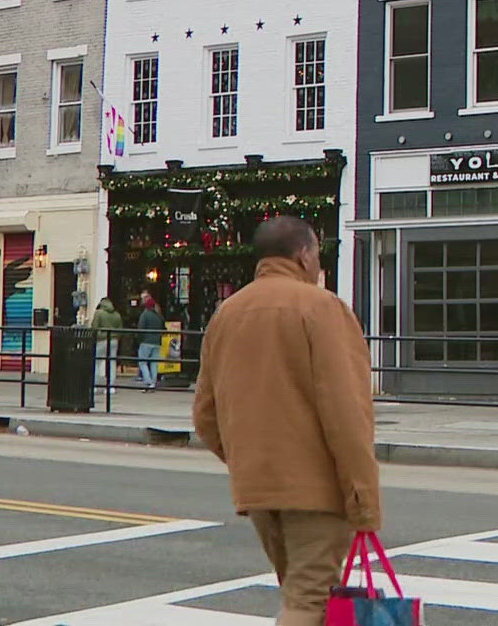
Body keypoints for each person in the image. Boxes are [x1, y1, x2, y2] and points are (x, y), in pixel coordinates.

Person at [193, 217, 380, 626]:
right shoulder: (322, 308)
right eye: (317, 253)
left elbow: (205, 414)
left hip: (258, 486)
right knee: (310, 600)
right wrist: (364, 499)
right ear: (304, 254)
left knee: (297, 590)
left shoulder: (228, 313)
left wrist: (247, 459)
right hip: (317, 489)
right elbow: (346, 412)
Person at [90, 297, 124, 389]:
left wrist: (98, 336)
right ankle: (111, 386)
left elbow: (94, 327)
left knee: (96, 361)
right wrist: (116, 336)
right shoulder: (117, 314)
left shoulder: (99, 313)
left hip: (101, 340)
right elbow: (120, 329)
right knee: (112, 362)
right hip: (114, 340)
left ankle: (95, 385)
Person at [136, 293, 165, 390]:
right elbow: (163, 328)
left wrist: (140, 339)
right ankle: (153, 381)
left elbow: (140, 328)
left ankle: (148, 382)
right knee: (154, 363)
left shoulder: (144, 315)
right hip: (157, 342)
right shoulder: (159, 316)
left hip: (146, 341)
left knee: (142, 362)